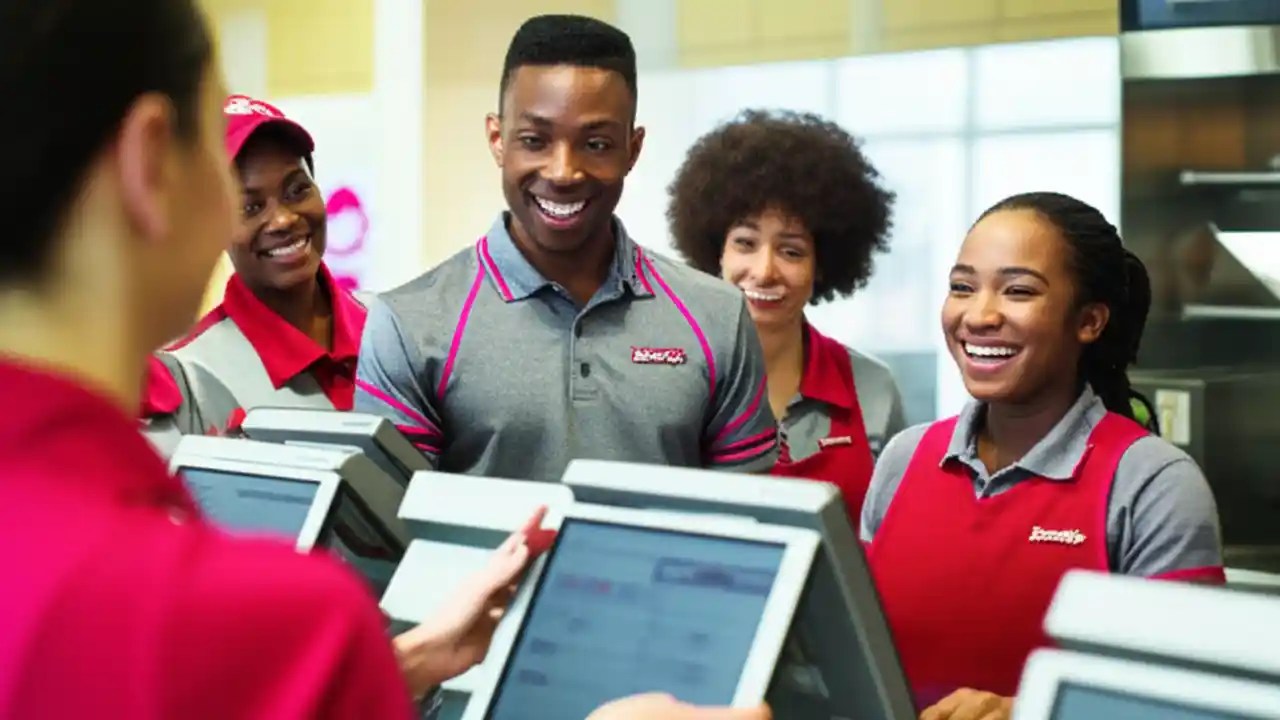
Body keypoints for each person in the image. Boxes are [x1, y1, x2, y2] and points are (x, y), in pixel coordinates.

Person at [0, 3, 767, 718]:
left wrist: (420, 656)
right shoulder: (278, 624)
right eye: (220, 159)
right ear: (151, 164)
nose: (564, 168)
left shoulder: (710, 315)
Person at [355, 15, 778, 482]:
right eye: (535, 140)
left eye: (596, 144)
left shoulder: (716, 316)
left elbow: (744, 526)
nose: (563, 172)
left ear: (632, 149)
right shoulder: (409, 324)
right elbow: (390, 532)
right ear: (498, 139)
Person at [860, 192, 1226, 719]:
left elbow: (1190, 704)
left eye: (1018, 291)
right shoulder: (904, 459)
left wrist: (1030, 712)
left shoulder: (1152, 484)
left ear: (1090, 321)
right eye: (962, 287)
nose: (980, 314)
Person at [668, 109, 906, 521]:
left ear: (823, 264)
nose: (764, 270)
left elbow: (896, 536)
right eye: (745, 243)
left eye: (791, 250)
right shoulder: (669, 378)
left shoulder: (873, 389)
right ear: (716, 252)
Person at [151, 93, 366, 443]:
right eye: (250, 208)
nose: (283, 219)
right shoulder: (188, 380)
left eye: (297, 190)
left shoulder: (394, 333)